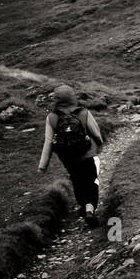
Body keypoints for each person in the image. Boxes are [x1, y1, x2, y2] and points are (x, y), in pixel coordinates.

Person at [38, 85, 104, 226]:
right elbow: (96, 133)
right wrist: (99, 143)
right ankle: (89, 210)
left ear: (56, 99)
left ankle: (83, 205)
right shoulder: (84, 112)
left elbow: (48, 142)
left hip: (68, 157)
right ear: (72, 96)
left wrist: (43, 166)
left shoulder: (52, 117)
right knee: (91, 181)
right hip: (87, 154)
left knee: (77, 181)